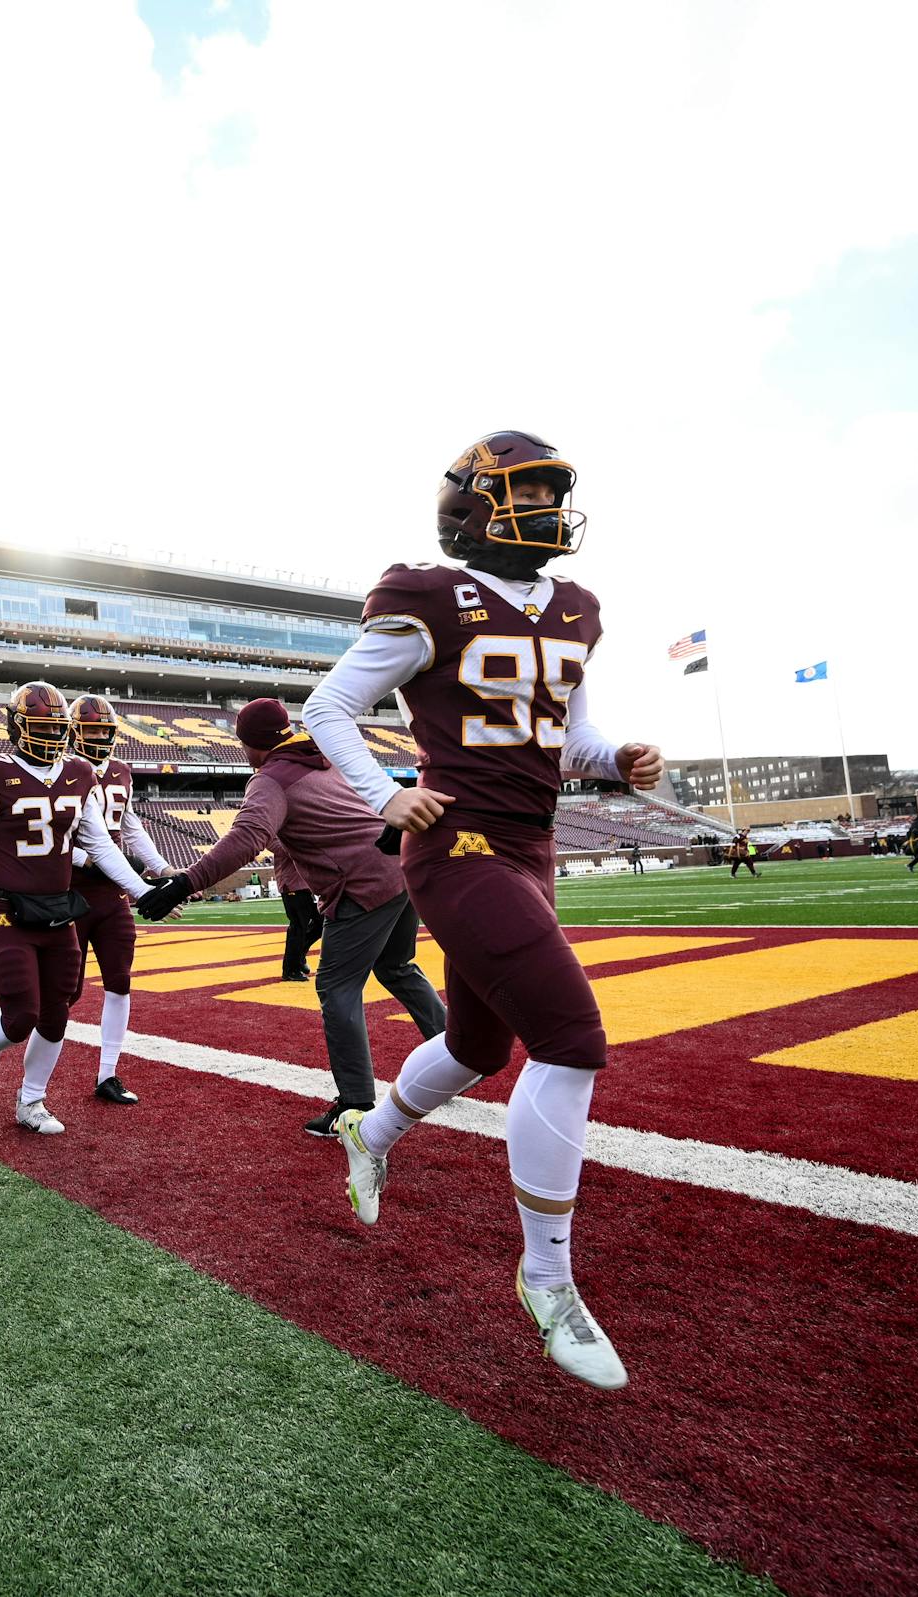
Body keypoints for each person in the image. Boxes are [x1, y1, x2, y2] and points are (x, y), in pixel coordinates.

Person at [298, 429, 662, 1390]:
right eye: (527, 491)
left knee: (477, 1045)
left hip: (532, 841)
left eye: (551, 490)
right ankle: (548, 1280)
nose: (547, 508)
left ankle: (366, 1134)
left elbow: (569, 738)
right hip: (457, 844)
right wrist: (385, 793)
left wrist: (617, 760)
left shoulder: (577, 608)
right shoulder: (427, 595)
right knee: (572, 1039)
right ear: (473, 505)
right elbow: (327, 707)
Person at [139, 697, 447, 1136]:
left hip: (360, 883)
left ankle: (355, 1105)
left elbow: (247, 837)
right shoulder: (326, 754)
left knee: (337, 988)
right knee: (396, 967)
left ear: (252, 744)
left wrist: (187, 881)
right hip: (400, 866)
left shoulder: (271, 780)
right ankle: (456, 1059)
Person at [0, 680, 154, 1137]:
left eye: (57, 727)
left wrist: (142, 890)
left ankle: (31, 1100)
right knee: (22, 1013)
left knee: (57, 1012)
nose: (52, 736)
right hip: (6, 908)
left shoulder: (79, 772)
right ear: (17, 727)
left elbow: (102, 846)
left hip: (58, 909)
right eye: (41, 727)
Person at [64, 693, 176, 1105]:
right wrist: (85, 858)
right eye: (90, 730)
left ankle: (107, 1073)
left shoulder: (122, 771)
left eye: (103, 731)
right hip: (70, 891)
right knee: (66, 991)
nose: (98, 737)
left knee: (120, 982)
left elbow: (129, 828)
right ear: (74, 732)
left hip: (112, 894)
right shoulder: (63, 770)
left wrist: (163, 868)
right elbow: (49, 836)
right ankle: (37, 1076)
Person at [278, 865, 323, 980]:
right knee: (297, 928)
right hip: (293, 887)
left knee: (322, 923)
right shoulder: (285, 846)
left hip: (306, 888)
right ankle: (291, 970)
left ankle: (299, 955)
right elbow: (274, 846)